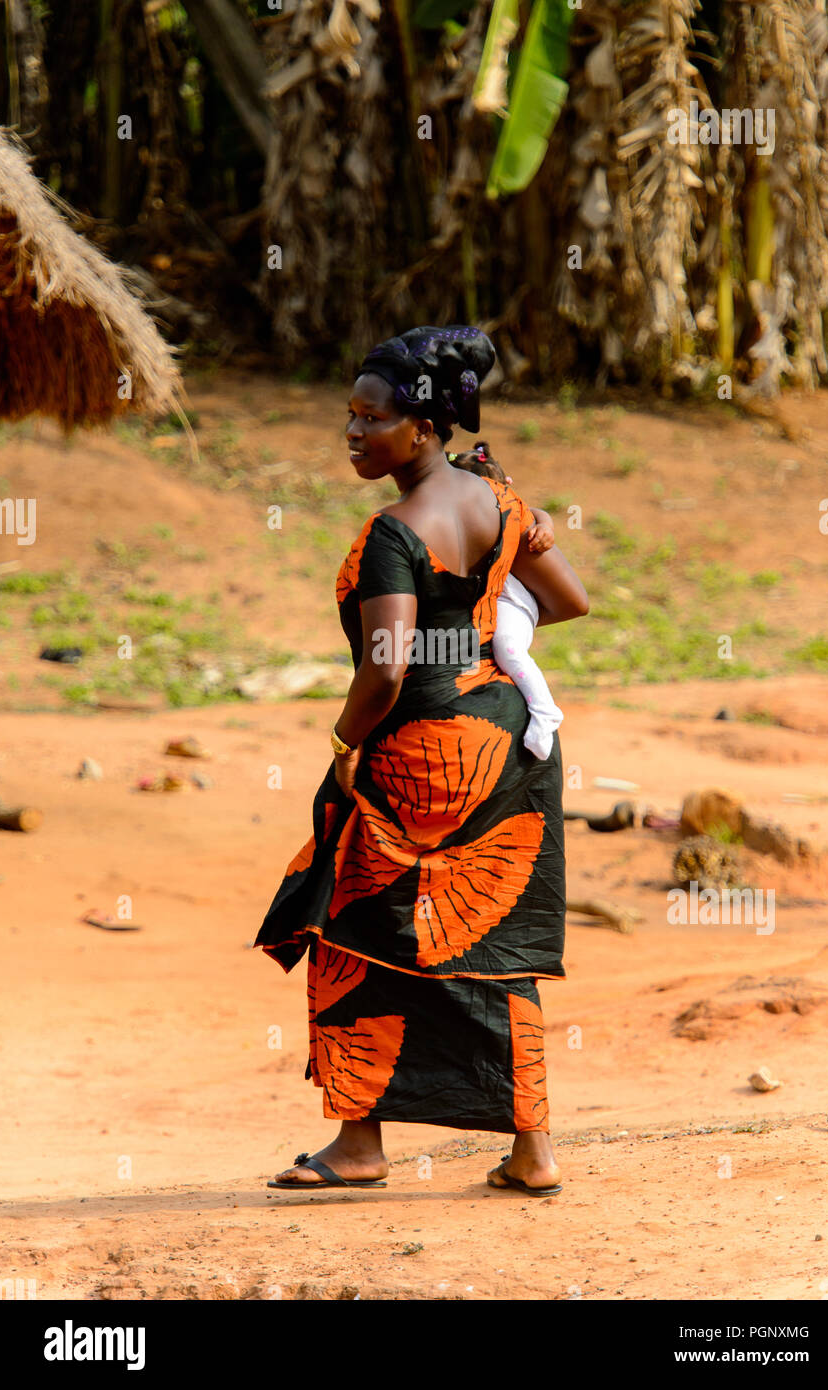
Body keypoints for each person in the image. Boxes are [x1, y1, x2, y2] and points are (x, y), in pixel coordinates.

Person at [254, 325, 588, 1197]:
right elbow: (569, 601)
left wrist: (341, 745)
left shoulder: (393, 533)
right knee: (497, 944)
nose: (354, 433)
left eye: (372, 419)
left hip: (417, 758)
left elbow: (386, 666)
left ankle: (359, 1146)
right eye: (350, 417)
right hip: (508, 741)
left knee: (349, 928)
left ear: (424, 427)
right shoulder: (499, 501)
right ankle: (533, 1153)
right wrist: (479, 639)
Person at [447, 440, 565, 760]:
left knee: (506, 647)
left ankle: (544, 712)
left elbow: (534, 511)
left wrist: (546, 526)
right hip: (487, 601)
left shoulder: (507, 510)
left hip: (511, 602)